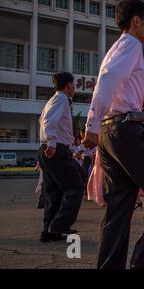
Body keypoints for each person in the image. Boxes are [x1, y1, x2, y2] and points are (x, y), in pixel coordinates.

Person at [82, 0, 144, 269]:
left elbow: (107, 81)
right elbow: (107, 80)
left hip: (111, 131)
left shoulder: (118, 47)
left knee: (120, 205)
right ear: (136, 21)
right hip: (125, 131)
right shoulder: (131, 44)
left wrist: (95, 125)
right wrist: (91, 123)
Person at [38, 71, 83, 242]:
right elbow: (49, 121)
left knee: (54, 191)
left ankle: (50, 230)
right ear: (69, 85)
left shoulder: (53, 100)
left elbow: (42, 120)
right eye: (74, 84)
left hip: (50, 148)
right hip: (55, 149)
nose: (74, 88)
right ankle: (59, 225)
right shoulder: (61, 99)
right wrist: (51, 143)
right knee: (75, 186)